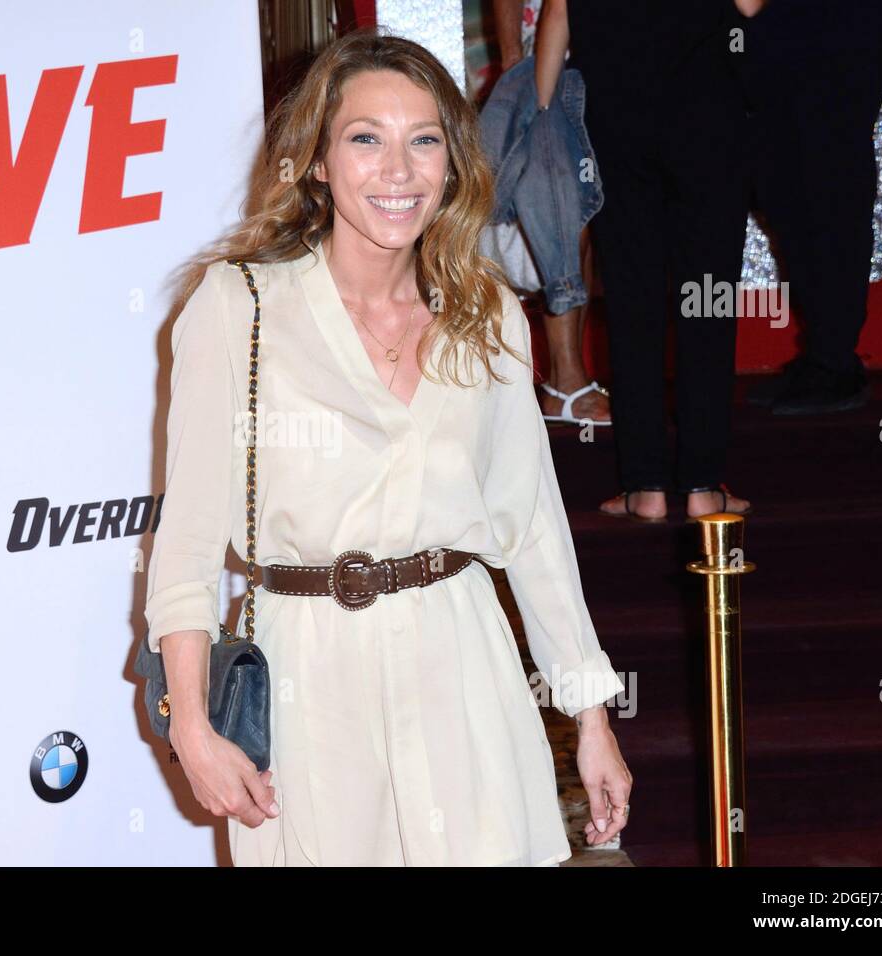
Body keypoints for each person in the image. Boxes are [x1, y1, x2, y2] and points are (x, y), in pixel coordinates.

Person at [143, 28, 631, 866]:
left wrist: (590, 718)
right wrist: (192, 726)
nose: (398, 172)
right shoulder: (241, 308)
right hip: (311, 687)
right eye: (365, 139)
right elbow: (185, 546)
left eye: (425, 141)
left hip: (463, 664)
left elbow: (532, 530)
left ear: (452, 163)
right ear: (319, 161)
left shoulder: (490, 318)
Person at [539, 0, 757, 520]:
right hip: (708, 119)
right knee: (706, 301)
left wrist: (544, 120)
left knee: (633, 299)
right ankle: (703, 485)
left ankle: (646, 487)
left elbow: (558, 12)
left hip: (616, 120)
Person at [742, 0, 882, 415]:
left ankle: (835, 361)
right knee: (785, 193)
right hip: (778, 33)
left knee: (831, 192)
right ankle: (823, 354)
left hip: (839, 33)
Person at [494, 0, 611, 426]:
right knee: (563, 208)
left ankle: (570, 380)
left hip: (613, 60)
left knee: (588, 209)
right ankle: (566, 382)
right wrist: (511, 62)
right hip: (544, 65)